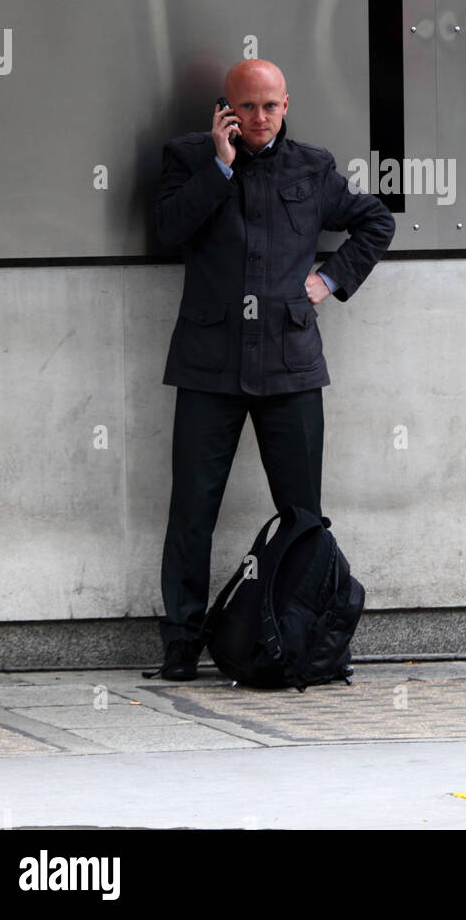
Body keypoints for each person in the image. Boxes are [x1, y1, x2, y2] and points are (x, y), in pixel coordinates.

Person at [148, 58, 395, 680]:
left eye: (270, 107)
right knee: (192, 511)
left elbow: (376, 220)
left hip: (289, 365)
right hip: (210, 367)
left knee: (303, 514)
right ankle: (182, 643)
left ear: (287, 105)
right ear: (224, 110)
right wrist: (220, 166)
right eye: (246, 108)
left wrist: (329, 278)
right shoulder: (187, 159)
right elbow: (166, 230)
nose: (259, 119)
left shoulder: (311, 168)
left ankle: (303, 640)